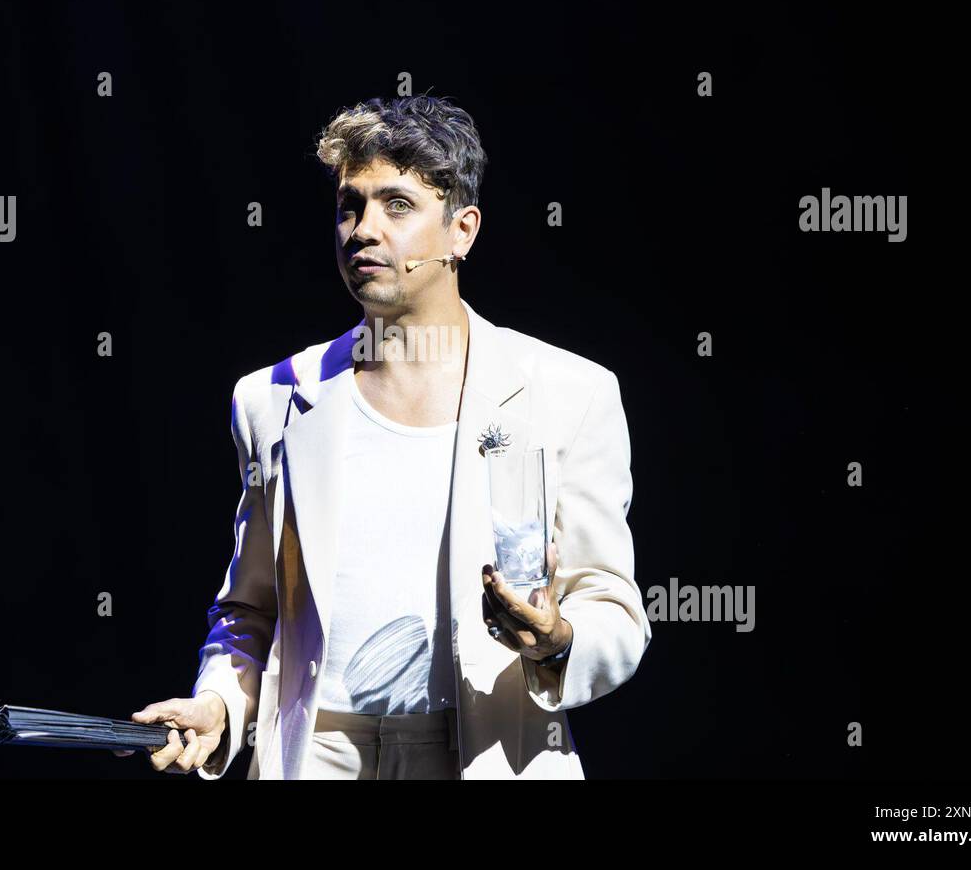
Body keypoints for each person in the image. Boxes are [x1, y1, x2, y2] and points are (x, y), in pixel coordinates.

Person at [125, 96, 652, 779]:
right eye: (350, 206)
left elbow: (612, 606)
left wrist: (556, 641)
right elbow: (250, 612)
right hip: (317, 755)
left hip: (483, 752)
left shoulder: (566, 393)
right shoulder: (274, 398)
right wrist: (220, 702)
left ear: (462, 231)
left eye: (396, 205)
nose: (362, 230)